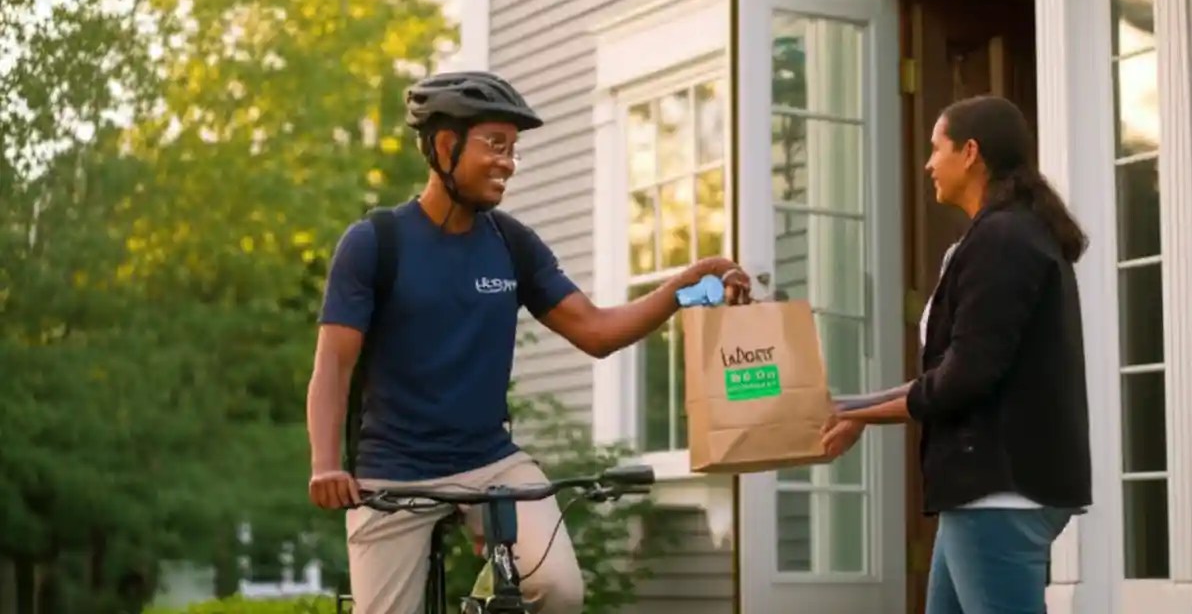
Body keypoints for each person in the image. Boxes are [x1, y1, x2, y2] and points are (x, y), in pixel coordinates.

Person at [305, 70, 751, 614]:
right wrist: (326, 464)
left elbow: (597, 332)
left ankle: (484, 604)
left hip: (491, 463)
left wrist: (689, 285)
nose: (507, 163)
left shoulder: (512, 245)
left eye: (513, 150)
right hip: (392, 472)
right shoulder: (376, 243)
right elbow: (333, 364)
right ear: (445, 145)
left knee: (559, 591)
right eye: (495, 145)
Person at [821, 95, 1092, 614]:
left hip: (998, 494)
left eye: (935, 148)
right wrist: (852, 408)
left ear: (970, 153)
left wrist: (864, 416)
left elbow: (965, 379)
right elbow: (953, 372)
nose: (927, 164)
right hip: (981, 495)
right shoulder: (999, 235)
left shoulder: (1004, 240)